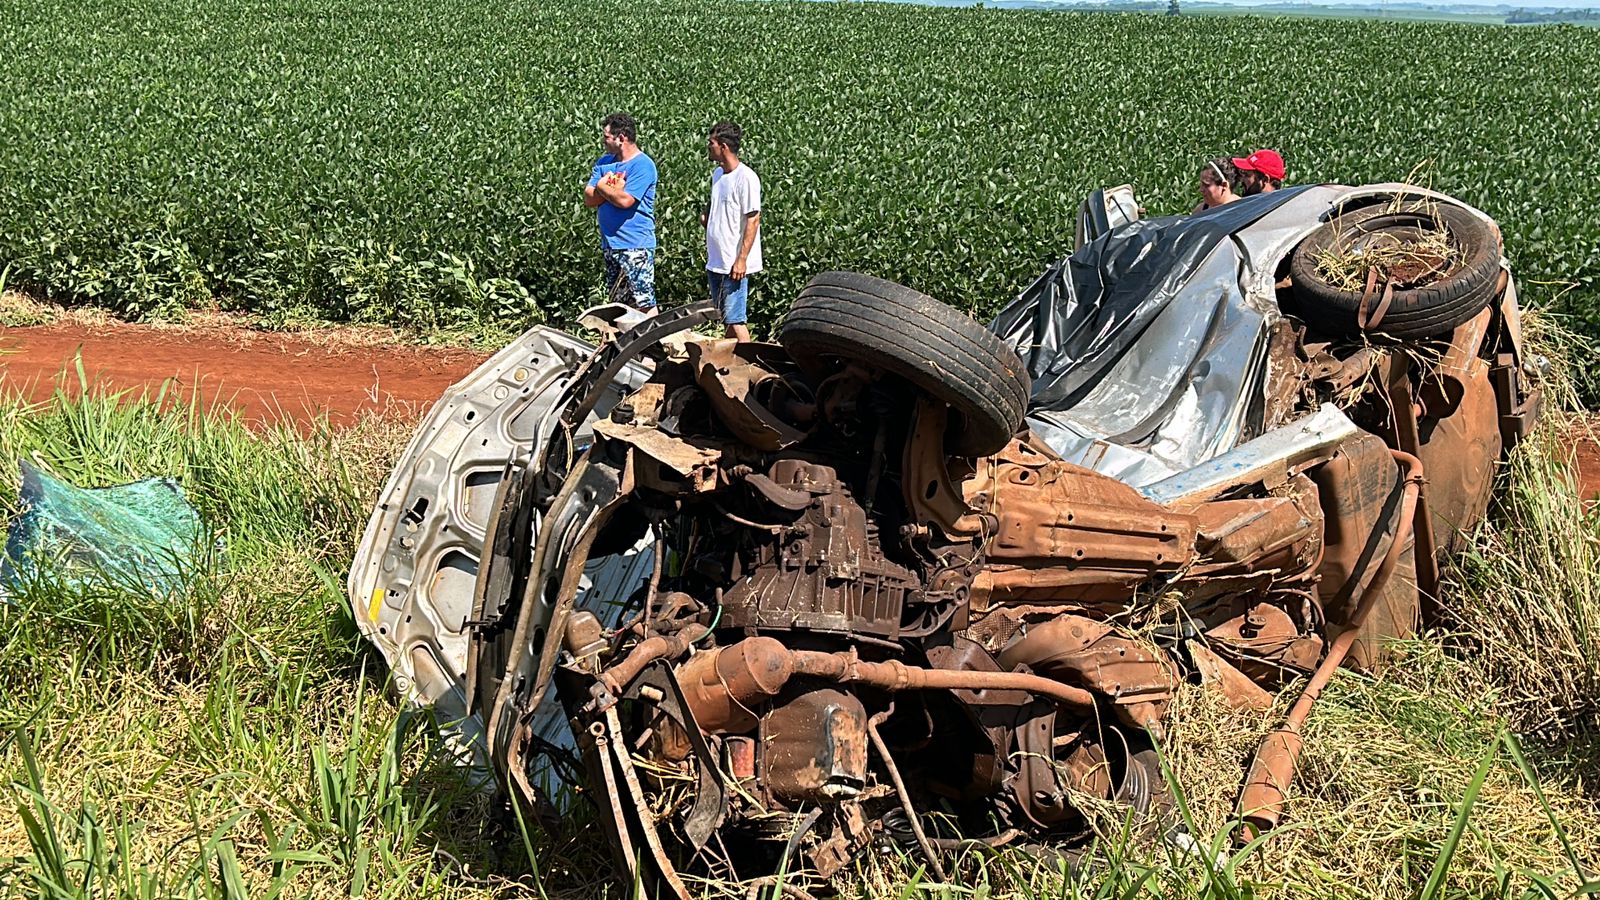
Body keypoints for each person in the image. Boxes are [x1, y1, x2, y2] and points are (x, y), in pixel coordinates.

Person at [584, 112, 659, 314]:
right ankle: (626, 344)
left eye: (606, 137)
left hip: (635, 245)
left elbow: (625, 200)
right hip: (611, 244)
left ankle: (655, 342)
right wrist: (610, 189)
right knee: (618, 305)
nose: (603, 141)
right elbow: (589, 198)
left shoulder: (643, 165)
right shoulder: (604, 162)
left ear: (621, 138)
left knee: (643, 302)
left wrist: (602, 185)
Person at [701, 121, 763, 341]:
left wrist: (742, 260)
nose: (709, 147)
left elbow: (753, 219)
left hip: (733, 262)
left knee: (736, 319)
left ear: (723, 146)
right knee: (726, 317)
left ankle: (750, 362)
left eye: (712, 143)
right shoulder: (718, 175)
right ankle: (732, 362)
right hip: (717, 260)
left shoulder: (746, 178)